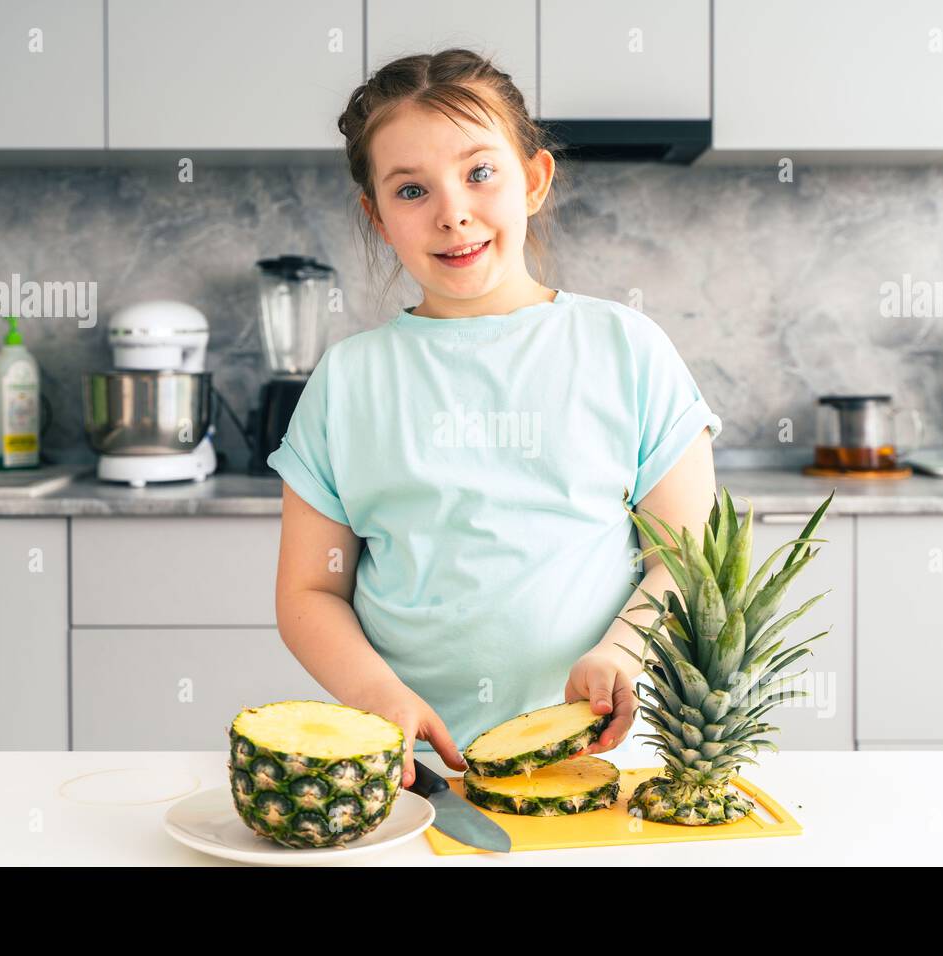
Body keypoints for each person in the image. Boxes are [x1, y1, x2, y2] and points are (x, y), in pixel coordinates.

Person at [269, 48, 722, 789]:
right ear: (377, 217)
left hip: (599, 764)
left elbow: (687, 556)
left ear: (534, 181)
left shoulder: (625, 348)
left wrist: (623, 652)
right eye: (411, 190)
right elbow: (310, 591)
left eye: (480, 173)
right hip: (418, 775)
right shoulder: (347, 381)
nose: (453, 212)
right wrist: (377, 695)